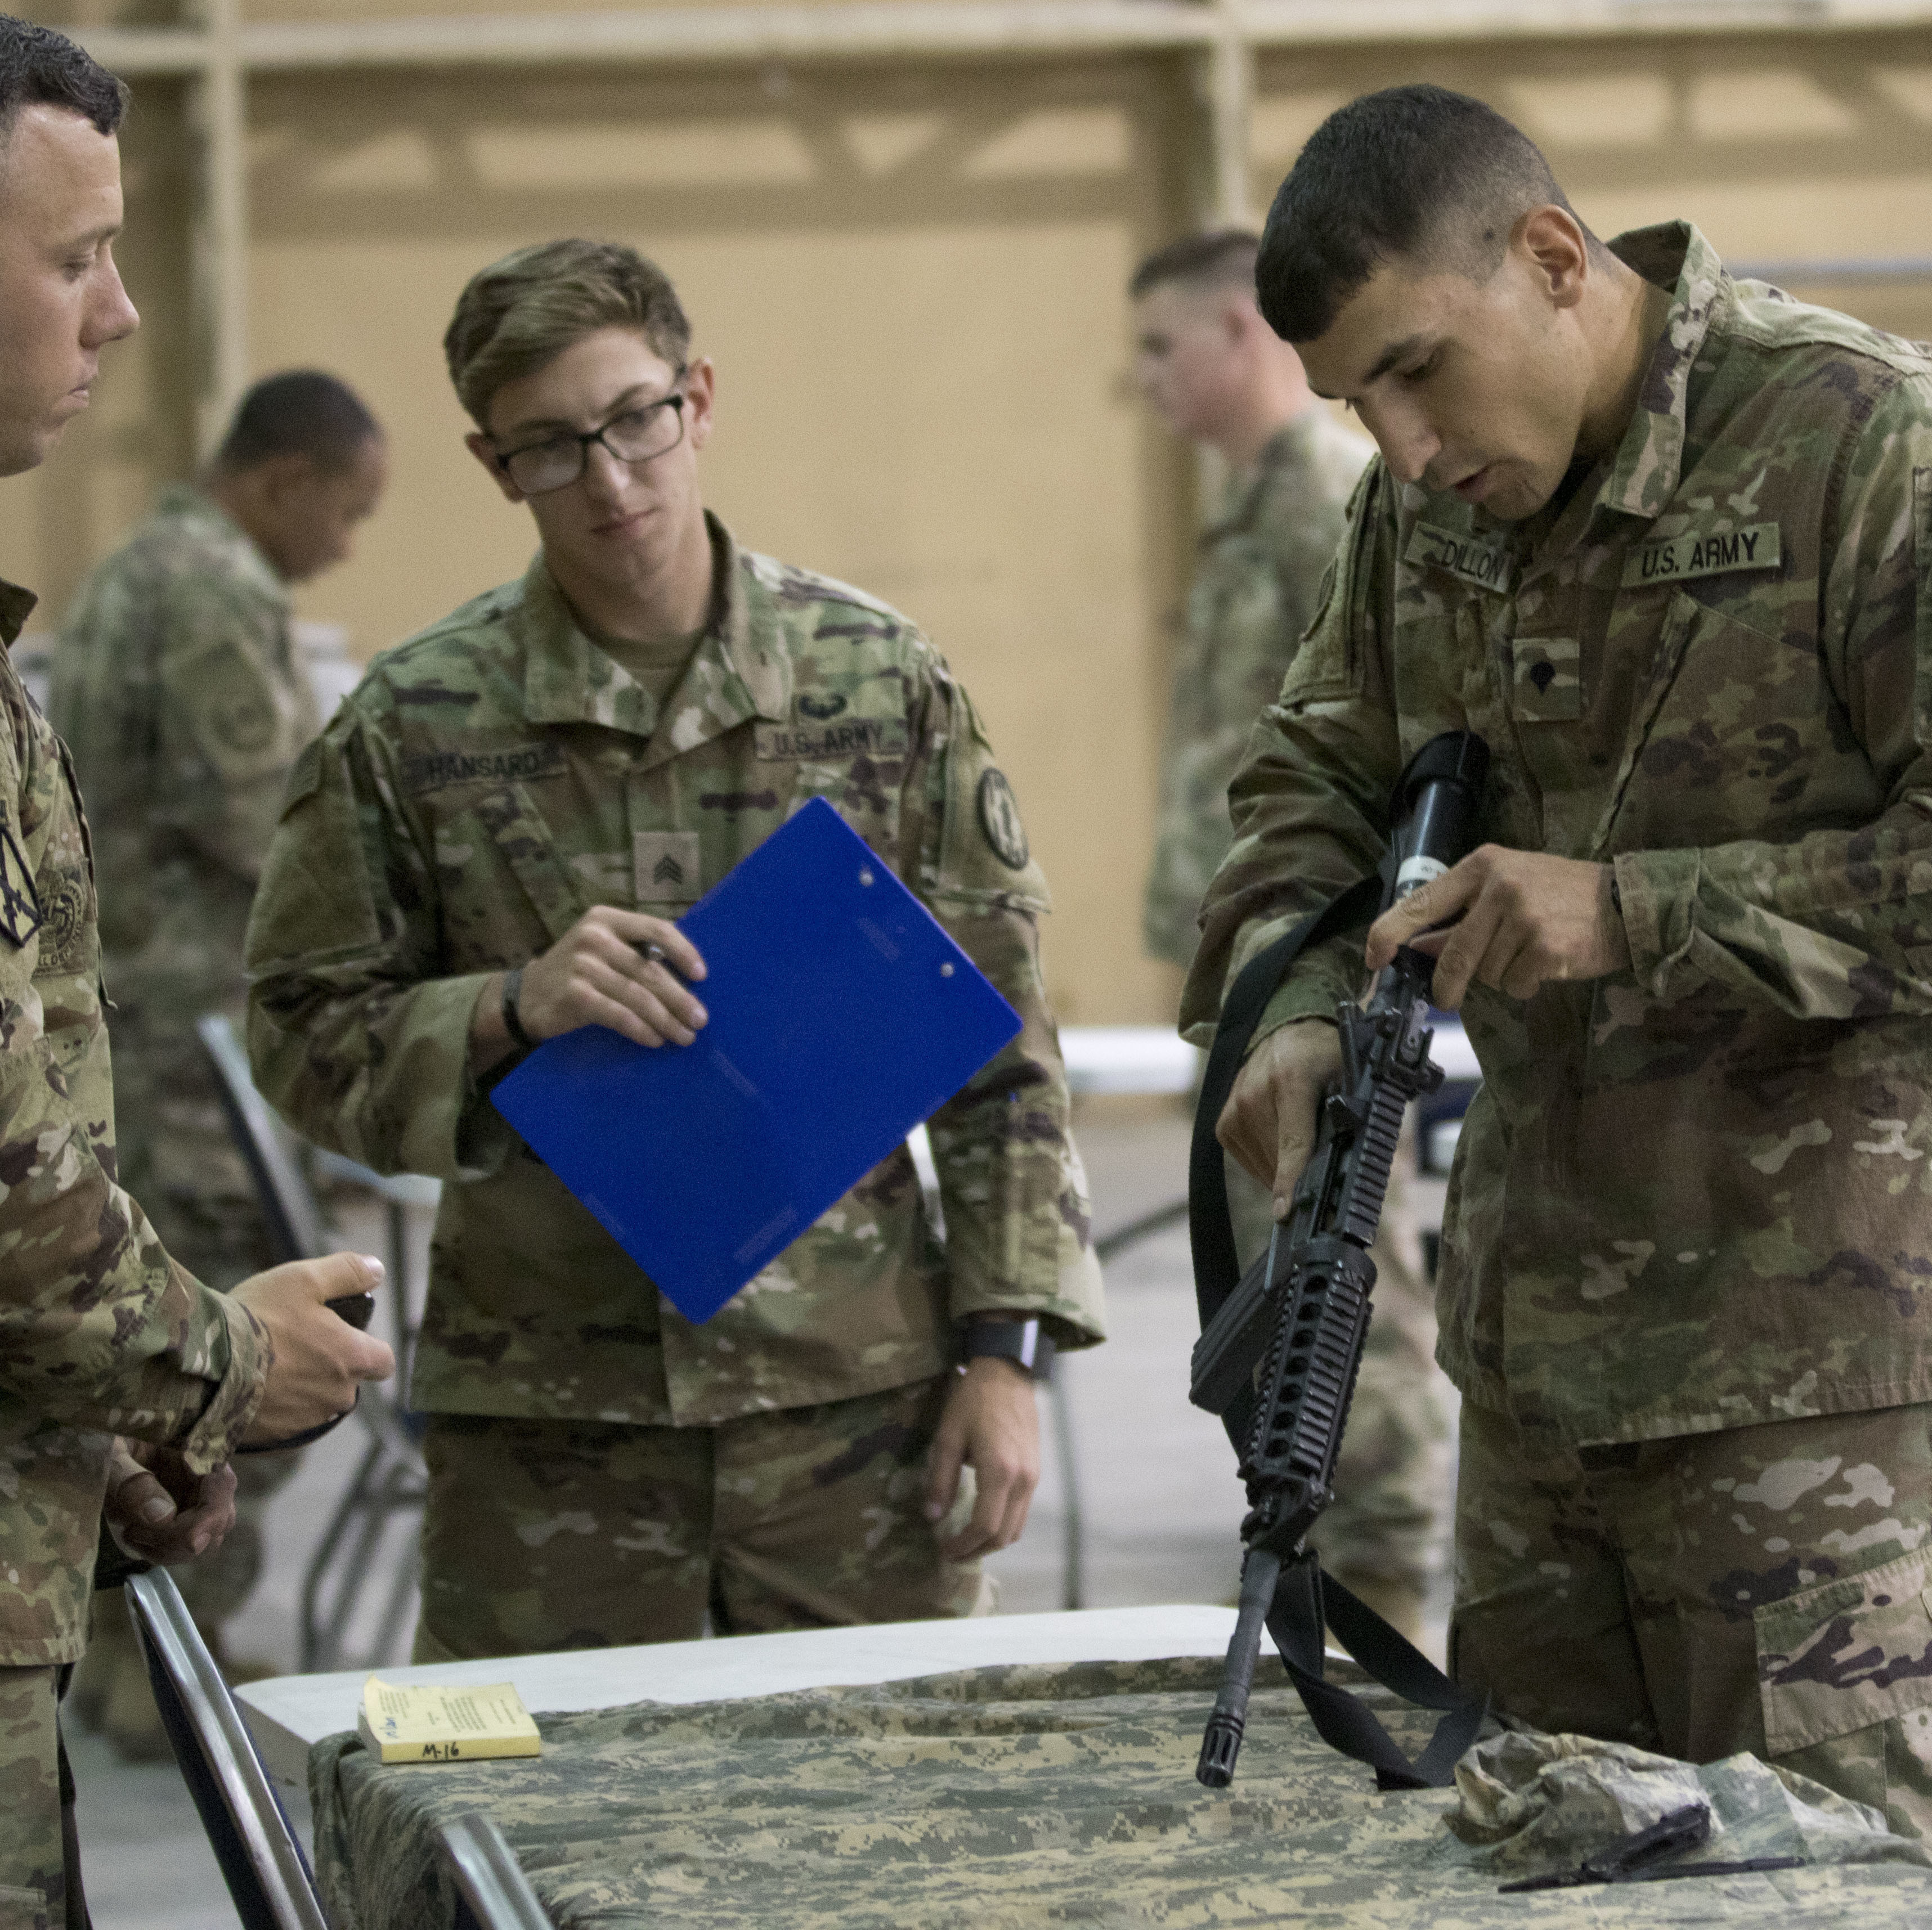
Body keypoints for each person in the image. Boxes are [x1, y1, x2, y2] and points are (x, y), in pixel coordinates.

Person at [1185, 86, 1932, 1891]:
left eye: (1416, 373)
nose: (1396, 447)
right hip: (1542, 1379)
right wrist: (1295, 992)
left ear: (1553, 259)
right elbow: (1311, 775)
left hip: (1821, 1394)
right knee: (1554, 1881)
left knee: (1848, 1892)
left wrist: (1636, 912)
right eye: (1351, 407)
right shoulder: (1432, 510)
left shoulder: (1872, 446)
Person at [244, 239, 1105, 1663]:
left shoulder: (877, 684)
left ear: (696, 398)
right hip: (547, 1430)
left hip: (851, 1409)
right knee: (535, 1847)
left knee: (878, 1835)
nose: (609, 479)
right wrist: (506, 1008)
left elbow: (1001, 1053)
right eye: (549, 447)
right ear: (491, 462)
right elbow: (298, 1031)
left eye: (635, 419)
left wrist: (1003, 1356)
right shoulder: (415, 724)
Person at [0, 23, 395, 1922]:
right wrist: (218, 1366)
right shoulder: (203, 596)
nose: (123, 315)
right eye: (75, 257)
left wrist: (101, 1436)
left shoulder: (90, 595)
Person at [50, 369, 387, 1758]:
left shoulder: (143, 569)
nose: (346, 544)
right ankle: (154, 1664)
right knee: (219, 1351)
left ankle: (151, 1647)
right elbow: (262, 822)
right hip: (187, 1044)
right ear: (288, 475)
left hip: (139, 1026)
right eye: (349, 509)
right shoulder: (204, 588)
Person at [1131, 228, 1449, 1644]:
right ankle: (1325, 1541)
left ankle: (1378, 1555)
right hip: (1254, 961)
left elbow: (1385, 748)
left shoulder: (1332, 497)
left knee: (1336, 1252)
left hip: (1321, 972)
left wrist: (1341, 972)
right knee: (1286, 1255)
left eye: (1160, 346)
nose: (1143, 381)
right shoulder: (1250, 504)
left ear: (1239, 336)